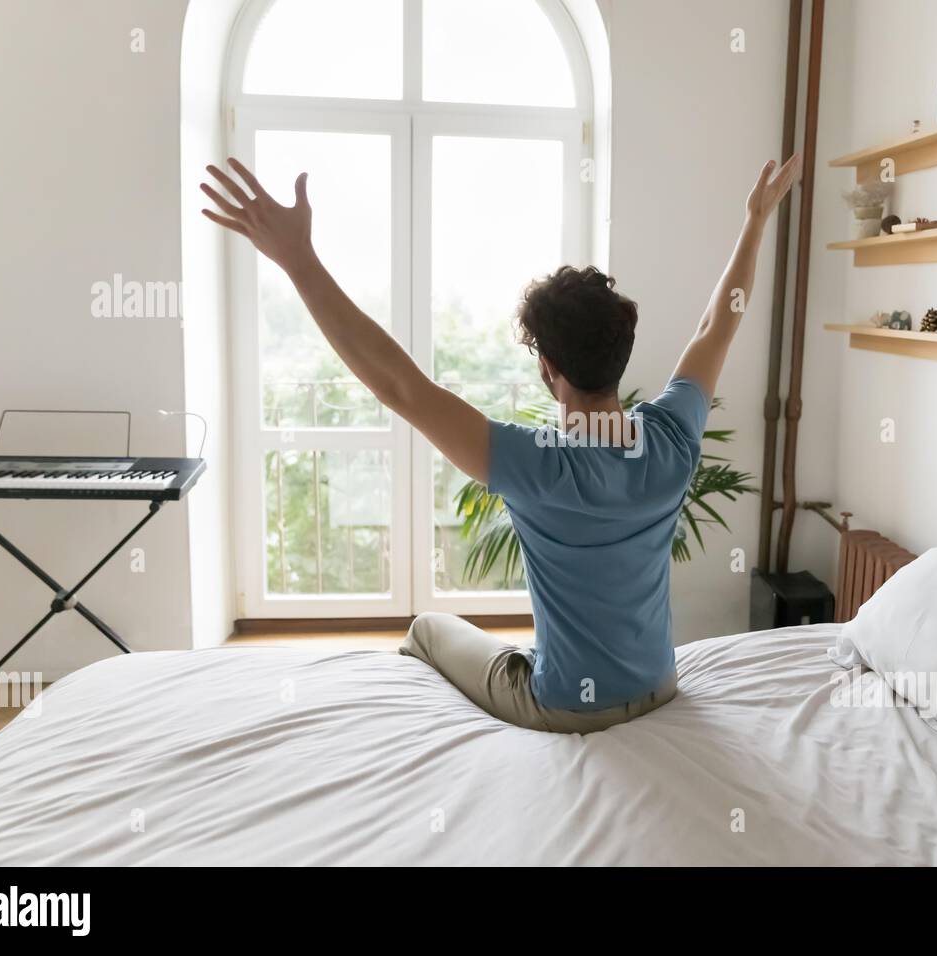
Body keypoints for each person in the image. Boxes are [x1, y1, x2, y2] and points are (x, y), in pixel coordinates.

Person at [200, 151, 802, 733]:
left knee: (430, 629)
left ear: (547, 369)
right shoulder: (672, 439)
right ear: (623, 354)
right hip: (659, 688)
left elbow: (400, 387)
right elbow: (717, 325)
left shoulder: (531, 462)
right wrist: (755, 221)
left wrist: (298, 260)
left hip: (564, 708)